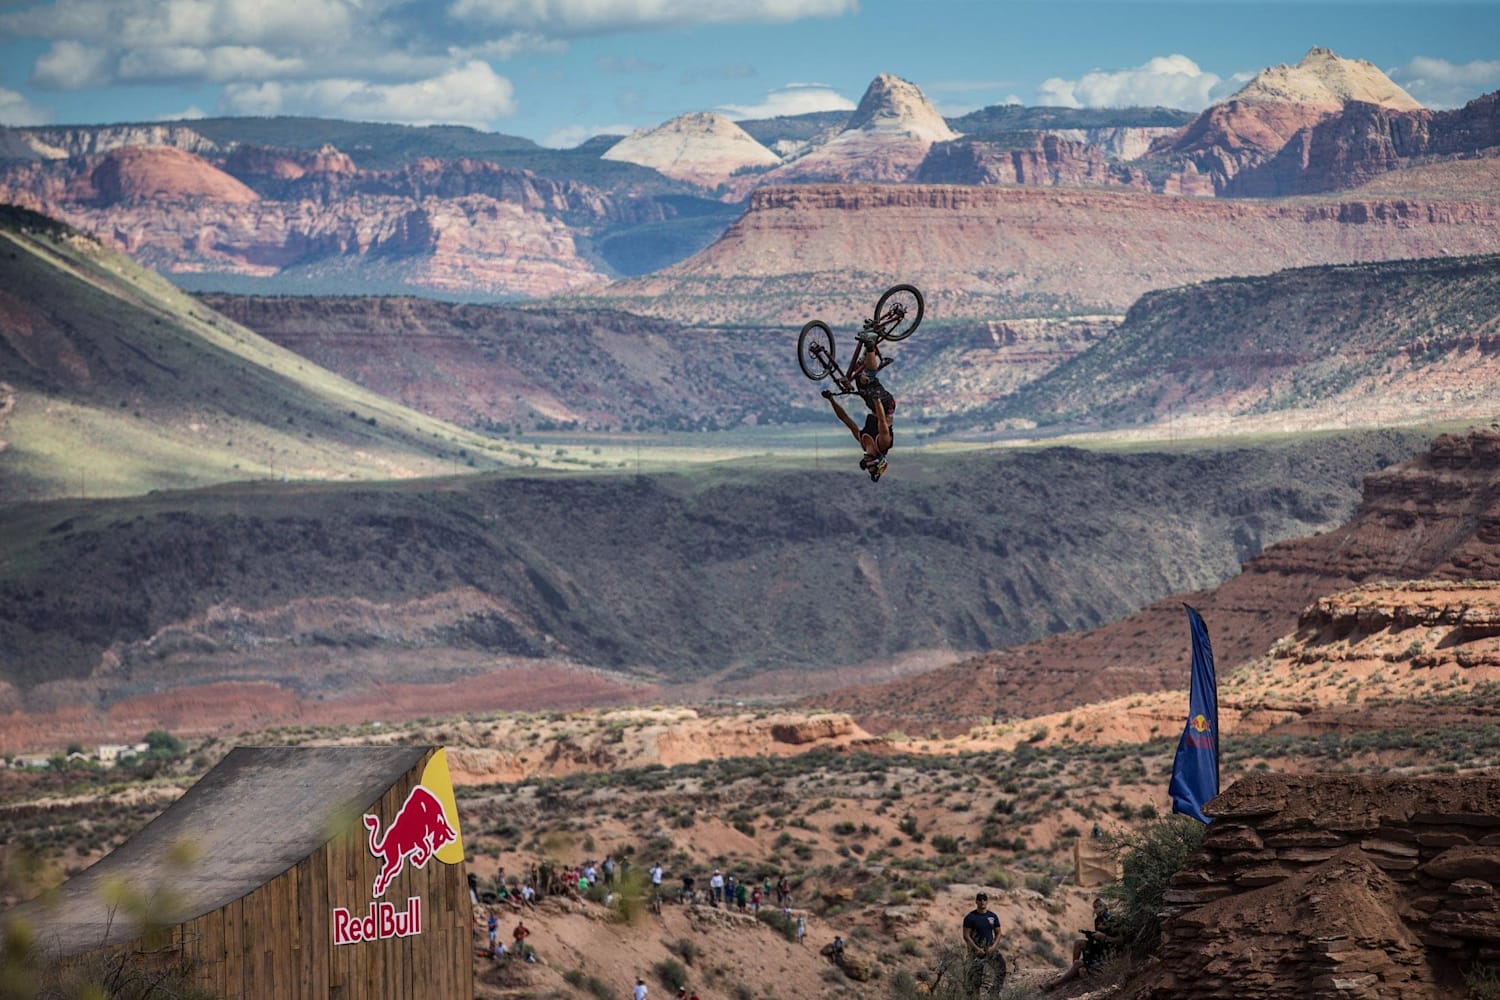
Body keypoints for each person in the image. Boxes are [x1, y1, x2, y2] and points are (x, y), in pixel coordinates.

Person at [822, 339, 895, 482]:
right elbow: (881, 421)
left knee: (857, 375)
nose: (867, 465)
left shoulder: (862, 441)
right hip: (885, 406)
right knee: (865, 380)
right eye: (870, 467)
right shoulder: (883, 444)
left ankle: (867, 354)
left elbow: (845, 419)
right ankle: (870, 345)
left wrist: (831, 400)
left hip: (874, 404)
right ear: (878, 463)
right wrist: (876, 400)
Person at [1047, 897, 1123, 991]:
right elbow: (1099, 939)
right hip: (1100, 948)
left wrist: (1105, 937)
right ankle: (1075, 972)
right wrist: (1092, 936)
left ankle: (1053, 984)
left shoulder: (1115, 920)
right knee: (1078, 943)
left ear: (1105, 907)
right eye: (1095, 907)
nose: (1097, 909)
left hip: (1110, 953)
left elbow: (1121, 940)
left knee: (1078, 963)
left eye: (1100, 906)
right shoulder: (1098, 921)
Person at [962, 892, 1007, 998]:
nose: (982, 902)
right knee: (975, 979)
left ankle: (994, 992)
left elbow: (998, 933)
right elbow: (966, 936)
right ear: (976, 901)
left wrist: (994, 947)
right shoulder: (970, 917)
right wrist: (976, 949)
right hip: (976, 951)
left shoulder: (992, 916)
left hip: (990, 949)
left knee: (1001, 969)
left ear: (987, 901)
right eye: (980, 899)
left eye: (984, 899)